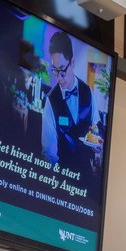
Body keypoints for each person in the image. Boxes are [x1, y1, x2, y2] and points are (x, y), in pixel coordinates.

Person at [39, 31, 100, 177]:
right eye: (55, 71)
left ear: (72, 62)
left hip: (87, 178)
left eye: (62, 71)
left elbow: (96, 127)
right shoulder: (51, 100)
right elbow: (48, 152)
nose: (59, 78)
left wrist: (98, 143)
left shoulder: (88, 92)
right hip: (62, 178)